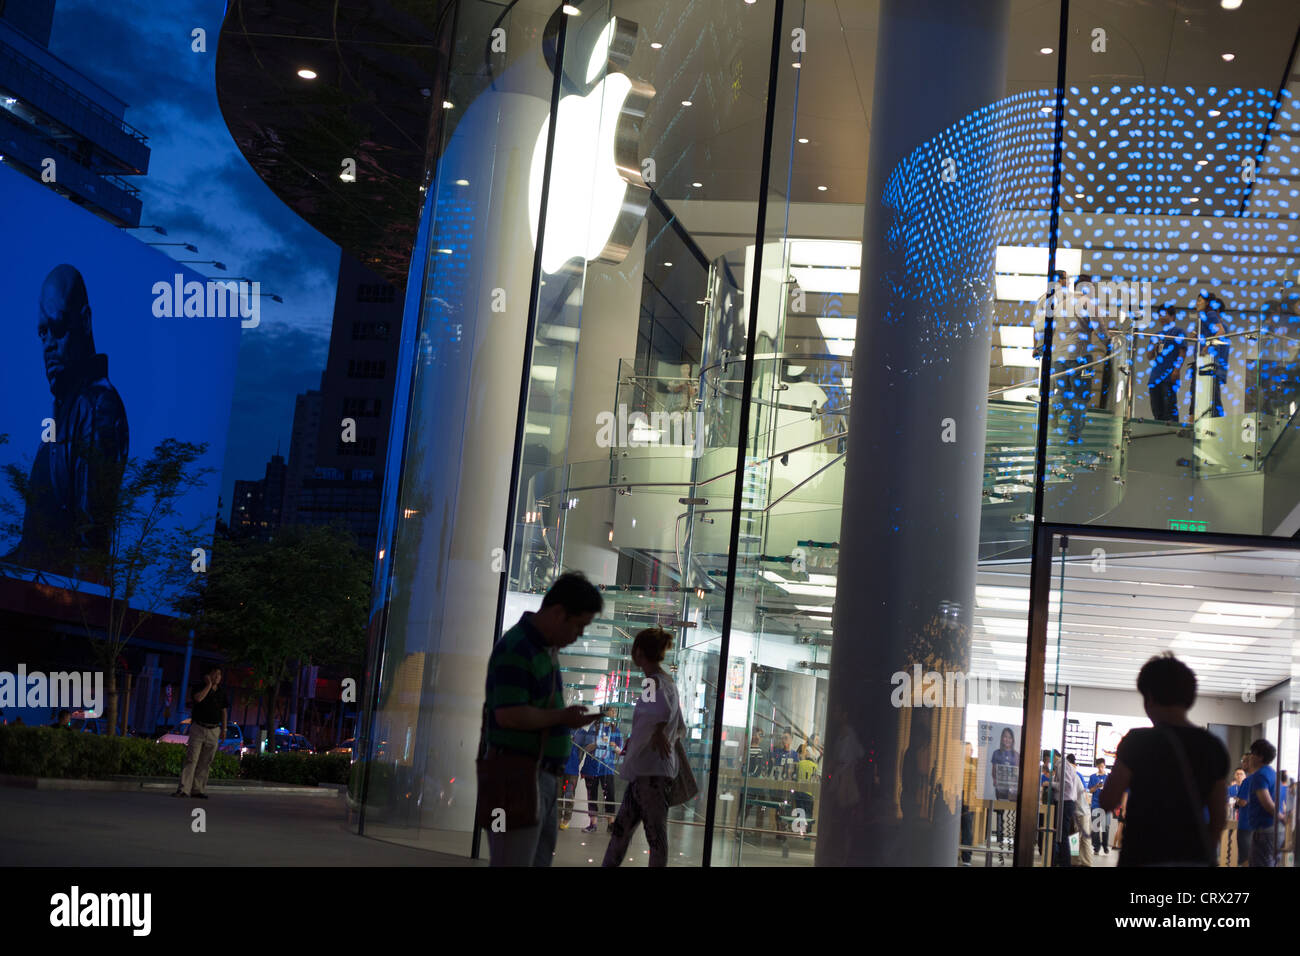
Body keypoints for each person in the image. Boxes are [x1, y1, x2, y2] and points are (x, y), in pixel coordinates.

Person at [6, 265, 129, 573]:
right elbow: (37, 544)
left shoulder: (97, 406)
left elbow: (90, 545)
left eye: (57, 327)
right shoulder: (68, 411)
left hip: (55, 613)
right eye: (42, 332)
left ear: (85, 320)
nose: (48, 344)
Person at [480, 571, 605, 866]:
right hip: (518, 775)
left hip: (536, 775)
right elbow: (509, 715)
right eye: (579, 625)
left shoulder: (543, 650)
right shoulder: (518, 649)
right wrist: (563, 717)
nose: (580, 634)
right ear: (558, 613)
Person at [1099, 654, 1229, 866]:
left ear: (1149, 697)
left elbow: (1108, 800)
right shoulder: (1212, 746)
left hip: (1142, 856)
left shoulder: (1137, 741)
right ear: (1189, 697)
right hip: (1193, 858)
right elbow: (1218, 817)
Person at [602, 627, 684, 868]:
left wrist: (658, 730)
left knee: (638, 834)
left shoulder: (653, 681)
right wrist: (651, 733)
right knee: (636, 832)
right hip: (651, 772)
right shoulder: (666, 681)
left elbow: (657, 713)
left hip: (650, 772)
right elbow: (675, 721)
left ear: (639, 652)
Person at [174, 665, 228, 799]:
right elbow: (198, 698)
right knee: (192, 759)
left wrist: (224, 729)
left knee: (206, 761)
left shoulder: (222, 692)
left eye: (219, 675)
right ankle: (184, 789)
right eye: (214, 674)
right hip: (198, 728)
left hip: (214, 729)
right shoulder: (199, 687)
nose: (217, 677)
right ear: (208, 675)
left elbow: (224, 711)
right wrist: (208, 685)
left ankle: (197, 790)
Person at [580, 706, 623, 832]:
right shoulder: (594, 727)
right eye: (612, 710)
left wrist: (614, 746)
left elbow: (621, 752)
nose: (614, 712)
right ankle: (593, 824)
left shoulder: (616, 730)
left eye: (615, 710)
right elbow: (585, 748)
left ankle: (611, 824)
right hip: (591, 768)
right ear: (605, 712)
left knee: (609, 795)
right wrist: (596, 744)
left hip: (607, 768)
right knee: (592, 796)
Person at [1146, 304, 1189, 423]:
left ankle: (1172, 434)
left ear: (1173, 316)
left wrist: (1176, 370)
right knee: (1157, 410)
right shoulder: (1157, 334)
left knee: (1169, 409)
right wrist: (1154, 344)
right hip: (1155, 377)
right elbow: (1149, 356)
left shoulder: (1178, 331)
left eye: (1164, 315)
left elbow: (1182, 352)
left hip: (1169, 376)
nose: (1161, 318)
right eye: (1159, 315)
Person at [1243, 738, 1280, 868]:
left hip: (1264, 830)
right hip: (1273, 829)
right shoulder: (1272, 773)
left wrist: (1282, 818)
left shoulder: (1259, 776)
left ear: (1259, 757)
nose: (1250, 757)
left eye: (1252, 753)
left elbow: (1267, 803)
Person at [1067, 754, 1092, 866]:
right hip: (1085, 811)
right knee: (1085, 839)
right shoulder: (1076, 776)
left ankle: (1075, 861)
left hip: (1079, 813)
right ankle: (1087, 862)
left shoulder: (1072, 776)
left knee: (1075, 839)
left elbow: (1070, 797)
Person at [558, 728, 585, 831]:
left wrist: (576, 761)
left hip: (572, 770)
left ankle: (566, 819)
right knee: (558, 794)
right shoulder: (563, 729)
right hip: (560, 767)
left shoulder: (582, 733)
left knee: (569, 794)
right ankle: (558, 818)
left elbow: (583, 751)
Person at [989, 726, 1018, 800]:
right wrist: (995, 781)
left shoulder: (1016, 755)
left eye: (1010, 737)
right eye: (1005, 737)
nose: (1007, 739)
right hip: (1000, 788)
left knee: (1011, 809)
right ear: (1002, 738)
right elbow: (993, 771)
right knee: (1000, 809)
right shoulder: (996, 753)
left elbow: (1017, 773)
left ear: (1012, 740)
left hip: (1013, 790)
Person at [1089, 758, 1111, 855]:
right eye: (1099, 767)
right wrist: (1097, 786)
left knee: (1106, 827)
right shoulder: (1093, 777)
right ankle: (1096, 847)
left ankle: (1105, 846)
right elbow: (1090, 790)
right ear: (1097, 766)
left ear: (1104, 766)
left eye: (1102, 767)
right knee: (1096, 828)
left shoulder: (1110, 777)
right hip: (1095, 804)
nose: (1101, 769)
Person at [1227, 767, 1246, 866]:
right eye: (1237, 774)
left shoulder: (1247, 788)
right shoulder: (1230, 789)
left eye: (1241, 774)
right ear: (1235, 776)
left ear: (1245, 776)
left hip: (1243, 819)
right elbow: (1227, 802)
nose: (1239, 776)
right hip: (1231, 817)